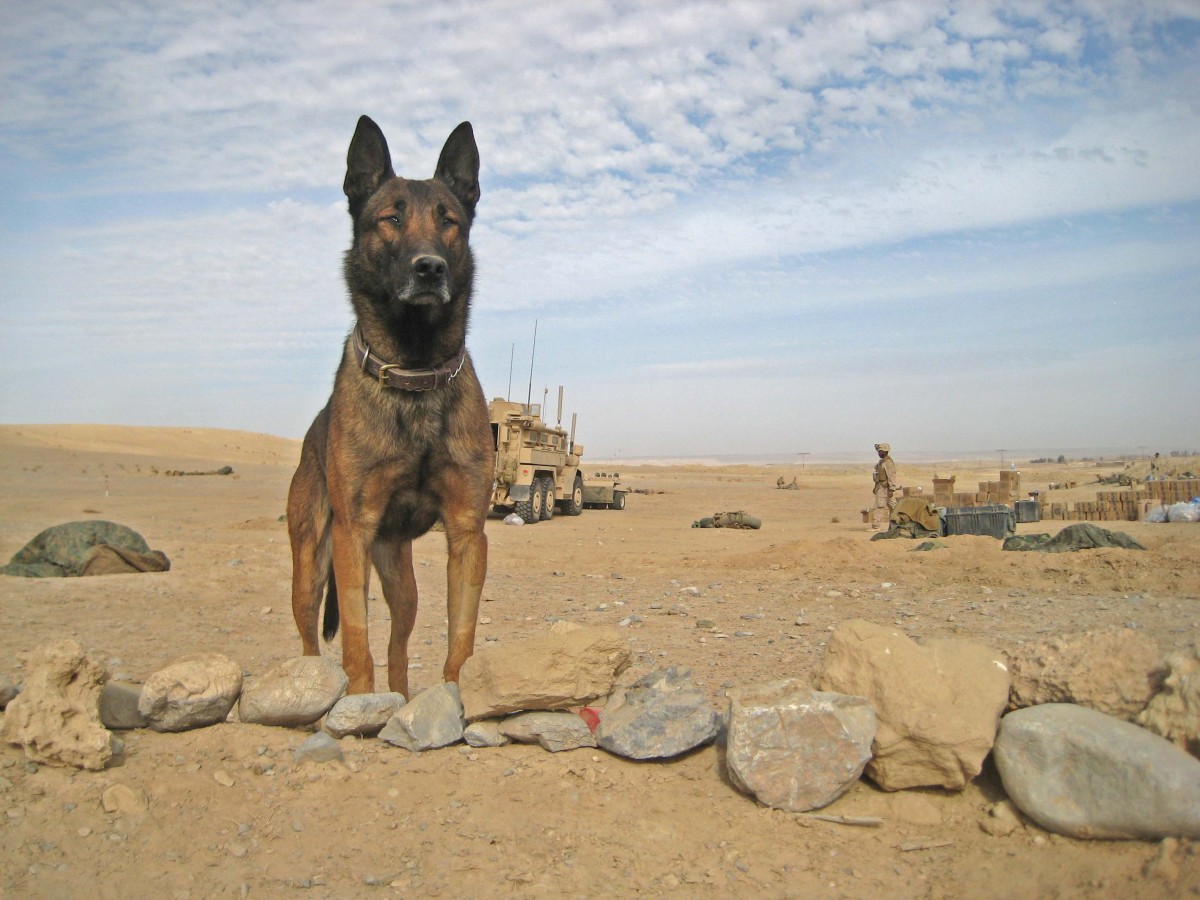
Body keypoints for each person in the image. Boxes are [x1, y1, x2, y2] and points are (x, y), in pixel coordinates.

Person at [871, 442, 900, 530]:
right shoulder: (882, 461)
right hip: (881, 486)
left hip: (885, 487)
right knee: (893, 506)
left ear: (885, 452)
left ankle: (875, 525)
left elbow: (892, 476)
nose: (879, 453)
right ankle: (898, 523)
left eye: (880, 451)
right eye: (878, 451)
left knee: (880, 505)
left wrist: (892, 489)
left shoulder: (888, 462)